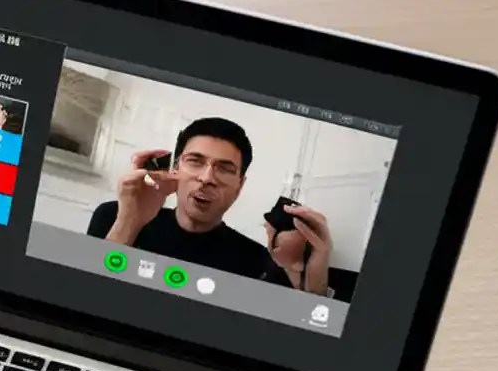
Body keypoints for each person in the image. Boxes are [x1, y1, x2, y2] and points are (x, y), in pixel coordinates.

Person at [86, 117, 334, 296]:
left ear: (239, 186)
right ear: (175, 170)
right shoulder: (111, 217)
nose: (207, 178)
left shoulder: (260, 262)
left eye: (225, 169)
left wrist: (314, 283)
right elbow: (84, 298)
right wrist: (130, 222)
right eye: (195, 161)